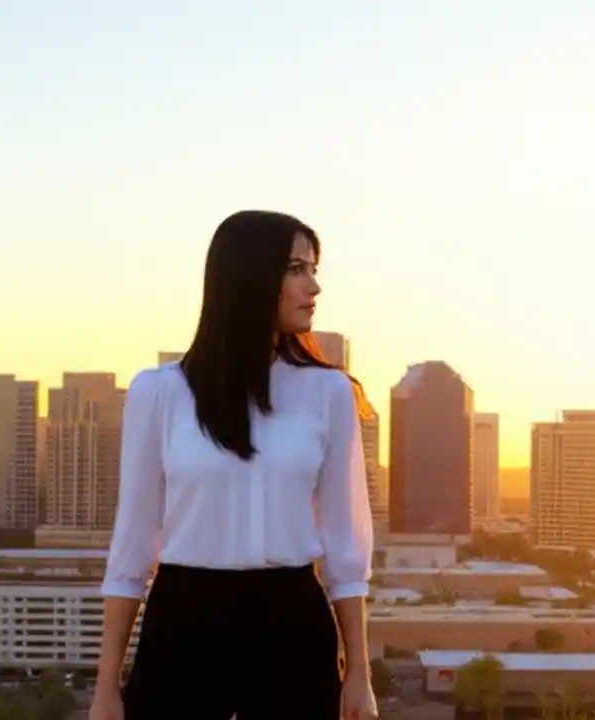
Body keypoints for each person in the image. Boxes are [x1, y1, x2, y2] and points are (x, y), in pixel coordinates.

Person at [89, 210, 378, 720]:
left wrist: (358, 675)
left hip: (292, 621)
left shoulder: (328, 392)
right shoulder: (159, 394)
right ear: (248, 276)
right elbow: (133, 544)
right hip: (184, 619)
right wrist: (106, 688)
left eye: (313, 269)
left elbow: (344, 545)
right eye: (295, 269)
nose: (313, 286)